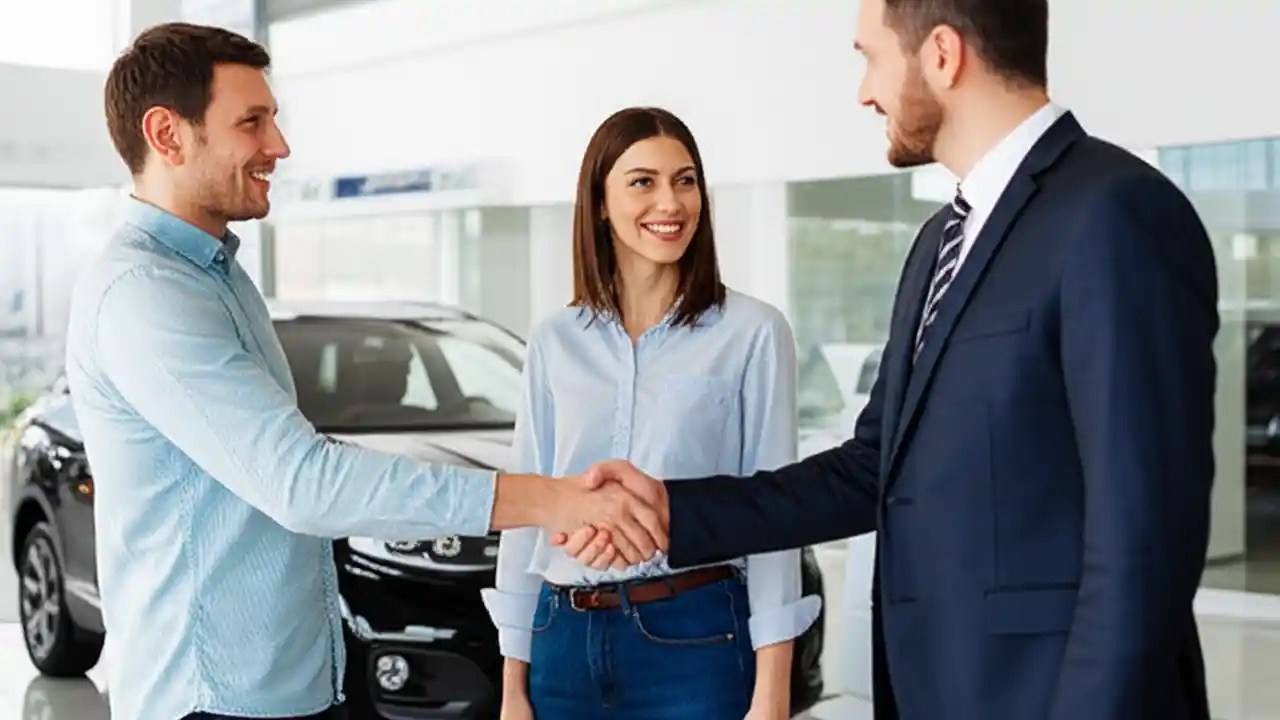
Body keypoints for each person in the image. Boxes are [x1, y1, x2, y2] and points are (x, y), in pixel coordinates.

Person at [561, 1, 1219, 718]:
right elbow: (871, 468)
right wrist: (672, 508)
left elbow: (1142, 547)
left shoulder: (1115, 213)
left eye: (869, 57)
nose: (864, 92)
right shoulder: (940, 241)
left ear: (942, 55)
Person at [66, 23, 664, 720]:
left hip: (288, 691)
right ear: (167, 134)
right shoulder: (145, 293)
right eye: (252, 122)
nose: (278, 146)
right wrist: (553, 500)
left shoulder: (217, 275)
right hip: (211, 702)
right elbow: (301, 482)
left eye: (274, 121)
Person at [481, 107, 821, 720]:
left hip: (695, 640)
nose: (670, 201)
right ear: (601, 203)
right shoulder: (555, 339)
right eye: (643, 181)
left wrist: (772, 696)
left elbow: (775, 518)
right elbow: (528, 505)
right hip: (561, 640)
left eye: (685, 180)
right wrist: (514, 686)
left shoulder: (753, 333)